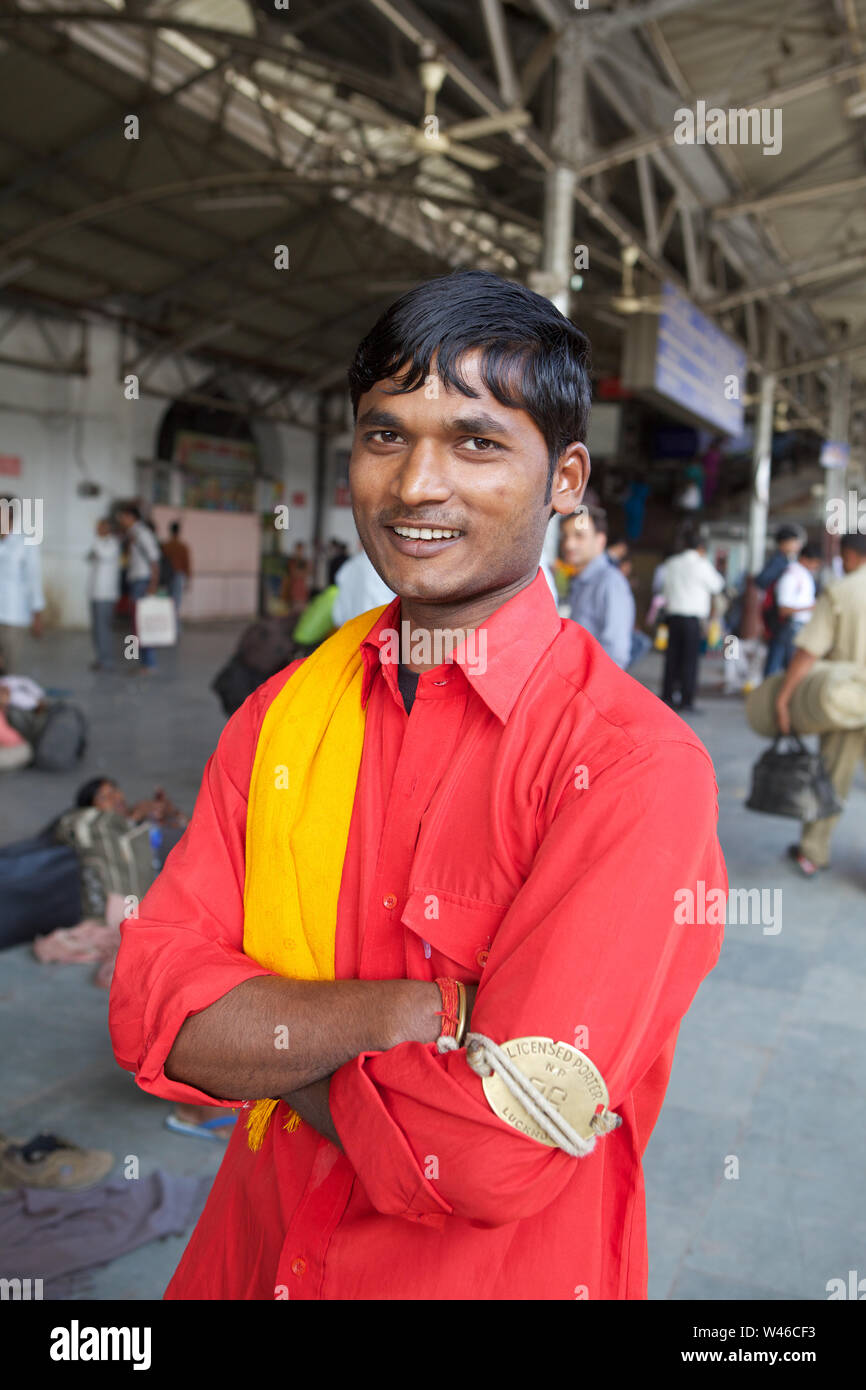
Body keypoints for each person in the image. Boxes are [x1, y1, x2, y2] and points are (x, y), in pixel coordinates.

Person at [109, 268, 726, 1302]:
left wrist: (265, 1039)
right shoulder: (284, 717)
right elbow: (151, 1012)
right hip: (255, 1257)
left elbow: (495, 1150)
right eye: (384, 434)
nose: (413, 486)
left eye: (476, 441)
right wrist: (418, 1010)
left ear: (564, 477)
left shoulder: (631, 766)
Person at [775, 532, 866, 877]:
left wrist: (784, 699)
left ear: (850, 556)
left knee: (831, 779)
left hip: (848, 702)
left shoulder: (842, 592)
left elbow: (809, 651)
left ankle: (813, 853)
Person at [660, 526, 725, 713]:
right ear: (701, 548)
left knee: (671, 658)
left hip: (673, 616)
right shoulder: (701, 564)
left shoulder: (672, 563)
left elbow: (665, 589)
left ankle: (668, 696)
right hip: (692, 620)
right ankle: (687, 700)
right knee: (690, 660)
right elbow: (718, 585)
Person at [566, 506, 635, 668]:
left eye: (579, 536)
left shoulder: (610, 582)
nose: (569, 544)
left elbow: (616, 651)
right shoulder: (579, 581)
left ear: (600, 540)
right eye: (566, 536)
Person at [0, 494, 45, 675]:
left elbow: (34, 578)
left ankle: (6, 702)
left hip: (13, 614)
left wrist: (37, 615)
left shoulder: (26, 541)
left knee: (9, 668)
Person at [757, 523, 806, 675]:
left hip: (779, 615)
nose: (797, 545)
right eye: (795, 541)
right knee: (776, 655)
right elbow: (761, 580)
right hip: (777, 614)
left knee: (781, 655)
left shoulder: (785, 561)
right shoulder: (779, 562)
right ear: (784, 543)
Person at [117, 504, 160, 671]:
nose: (121, 520)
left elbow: (154, 559)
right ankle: (143, 662)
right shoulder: (132, 534)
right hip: (136, 581)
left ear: (131, 517)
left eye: (123, 516)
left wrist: (152, 584)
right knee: (137, 624)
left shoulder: (142, 533)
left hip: (143, 581)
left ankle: (149, 663)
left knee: (143, 623)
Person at [771, 540, 822, 670]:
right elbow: (783, 609)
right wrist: (811, 607)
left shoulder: (803, 574)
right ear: (805, 559)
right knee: (791, 668)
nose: (816, 566)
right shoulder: (791, 575)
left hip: (799, 627)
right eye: (815, 562)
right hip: (791, 628)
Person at [86, 518, 120, 671]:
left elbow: (102, 554)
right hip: (94, 593)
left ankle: (107, 660)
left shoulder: (112, 543)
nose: (96, 529)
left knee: (103, 628)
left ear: (107, 528)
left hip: (106, 594)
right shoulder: (99, 543)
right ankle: (99, 658)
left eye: (99, 527)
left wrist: (96, 543)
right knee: (96, 629)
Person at [162, 521, 191, 622]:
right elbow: (187, 565)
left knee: (168, 603)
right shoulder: (182, 547)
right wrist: (188, 580)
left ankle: (169, 626)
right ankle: (175, 629)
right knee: (176, 604)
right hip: (178, 575)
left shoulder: (166, 546)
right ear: (179, 531)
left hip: (167, 576)